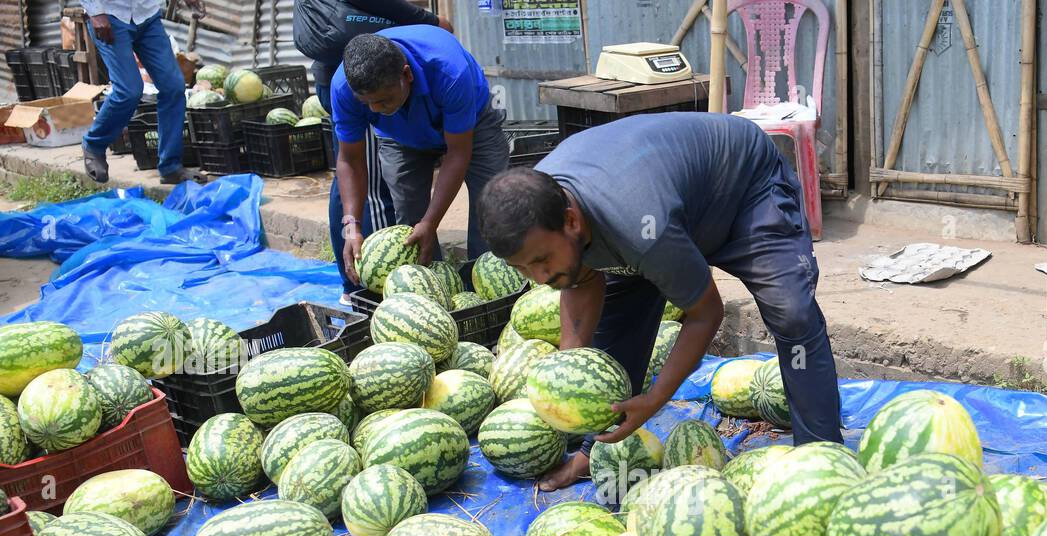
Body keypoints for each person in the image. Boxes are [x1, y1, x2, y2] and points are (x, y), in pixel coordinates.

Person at [477, 112, 843, 492]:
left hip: (744, 188)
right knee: (617, 331)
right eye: (522, 269)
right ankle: (592, 452)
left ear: (571, 222)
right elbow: (579, 280)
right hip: (660, 211)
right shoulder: (543, 203)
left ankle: (822, 459)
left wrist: (655, 398)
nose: (538, 277)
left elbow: (706, 314)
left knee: (793, 314)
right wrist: (568, 373)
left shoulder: (640, 227)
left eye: (540, 261)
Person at [292, 0, 451, 293]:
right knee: (373, 190)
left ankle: (356, 282)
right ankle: (368, 285)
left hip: (345, 75)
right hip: (363, 82)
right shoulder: (369, 95)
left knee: (350, 172)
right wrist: (428, 19)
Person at [332, 28, 509, 286]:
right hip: (399, 136)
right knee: (411, 218)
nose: (374, 109)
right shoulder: (344, 87)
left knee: (492, 203)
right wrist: (351, 226)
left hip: (473, 123)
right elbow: (350, 160)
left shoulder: (449, 72)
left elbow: (458, 152)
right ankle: (433, 289)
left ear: (407, 74)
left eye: (383, 100)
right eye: (366, 103)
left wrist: (432, 221)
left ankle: (486, 291)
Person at [81, 0, 202, 185]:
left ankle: (170, 167)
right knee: (128, 91)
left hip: (147, 15)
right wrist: (95, 12)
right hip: (111, 16)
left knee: (174, 87)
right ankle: (94, 145)